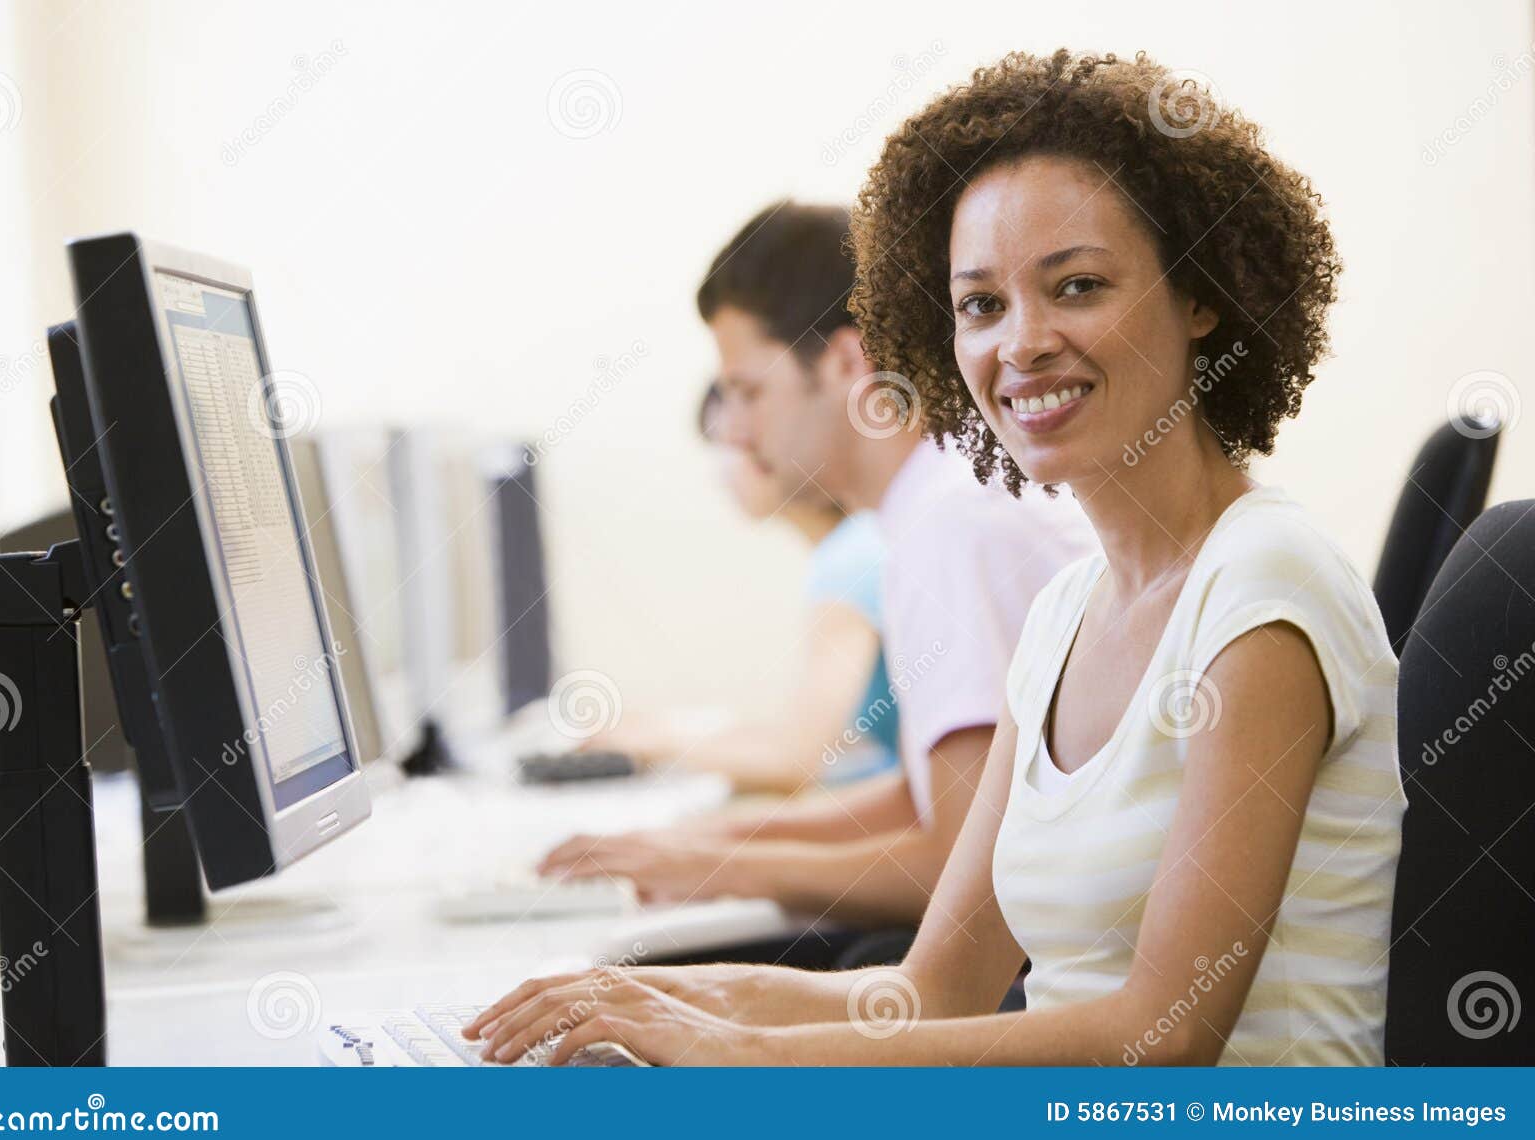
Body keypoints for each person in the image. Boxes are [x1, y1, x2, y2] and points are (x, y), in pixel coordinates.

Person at [473, 50, 1404, 1066]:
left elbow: (1162, 1034)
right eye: (980, 305)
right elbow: (929, 988)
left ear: (1201, 297)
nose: (1023, 342)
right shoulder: (1065, 613)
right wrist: (640, 996)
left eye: (1077, 286)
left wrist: (741, 1053)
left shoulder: (1263, 587)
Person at [538, 201, 1095, 929]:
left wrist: (716, 867)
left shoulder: (952, 523)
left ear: (844, 363)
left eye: (748, 391)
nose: (734, 430)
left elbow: (962, 869)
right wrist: (709, 838)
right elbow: (928, 795)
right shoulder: (937, 500)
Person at [586, 381, 900, 793]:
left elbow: (794, 760)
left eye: (731, 445)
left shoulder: (849, 559)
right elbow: (819, 735)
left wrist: (655, 743)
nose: (723, 470)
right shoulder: (860, 541)